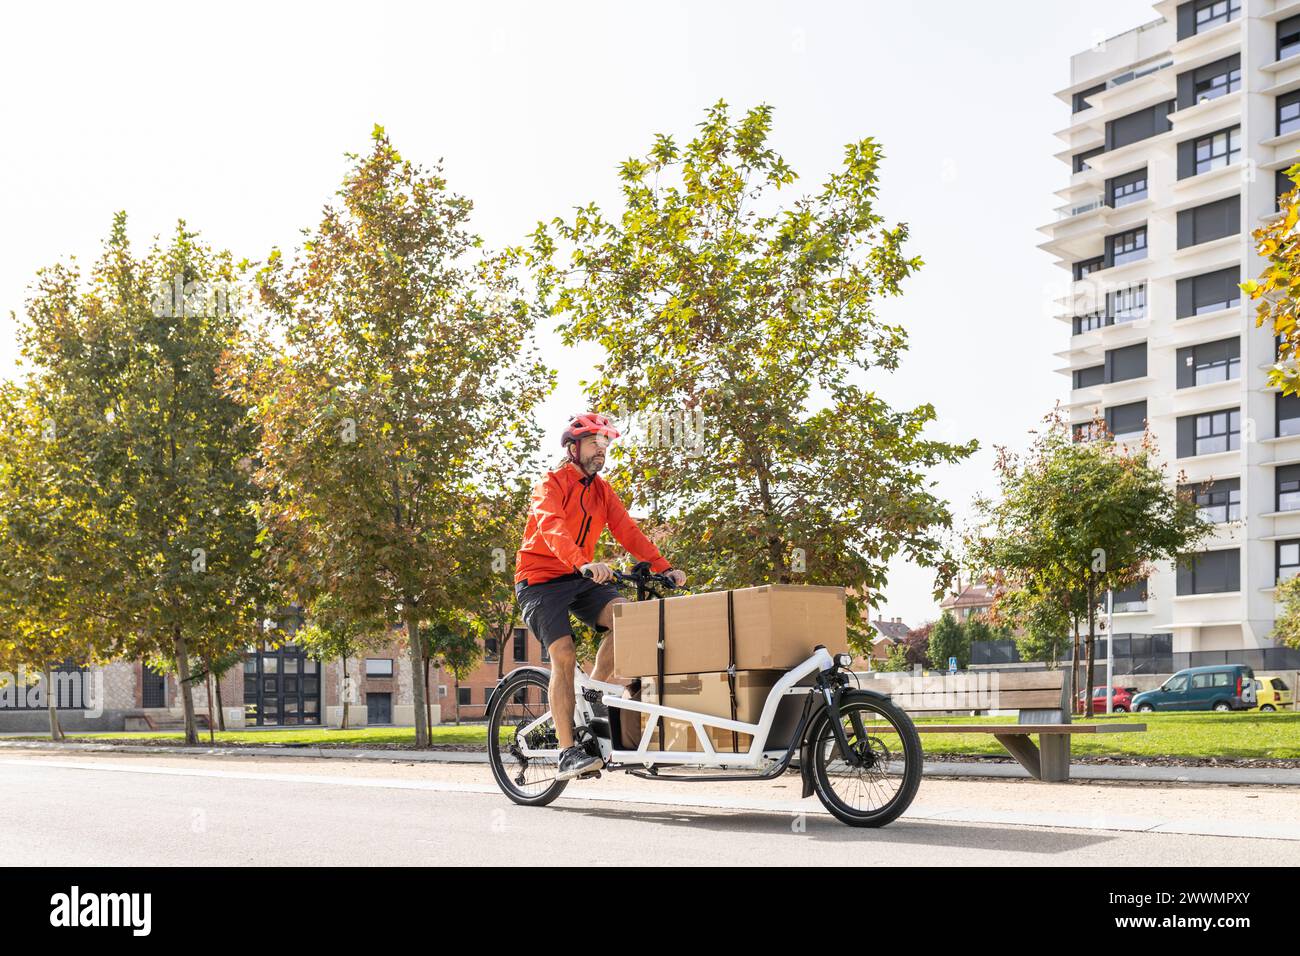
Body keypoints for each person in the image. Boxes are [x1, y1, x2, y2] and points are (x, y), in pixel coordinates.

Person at [514, 412, 686, 780]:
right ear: (573, 447)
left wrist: (663, 567)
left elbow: (628, 531)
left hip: (578, 576)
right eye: (594, 443)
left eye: (605, 444)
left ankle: (593, 695)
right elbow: (551, 528)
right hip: (540, 580)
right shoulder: (551, 484)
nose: (601, 451)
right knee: (563, 654)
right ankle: (566, 751)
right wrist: (583, 562)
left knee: (626, 618)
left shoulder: (601, 490)